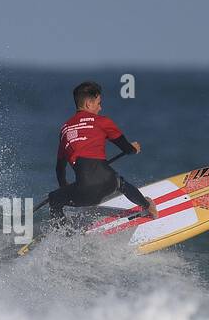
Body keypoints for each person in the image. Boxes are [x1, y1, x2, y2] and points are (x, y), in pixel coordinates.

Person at [48, 81, 158, 222]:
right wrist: (133, 149)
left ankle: (62, 235)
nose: (100, 108)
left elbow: (59, 170)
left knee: (54, 200)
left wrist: (65, 188)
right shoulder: (102, 122)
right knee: (120, 183)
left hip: (83, 191)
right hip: (108, 183)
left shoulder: (65, 130)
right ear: (88, 104)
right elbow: (126, 149)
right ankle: (148, 206)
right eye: (99, 103)